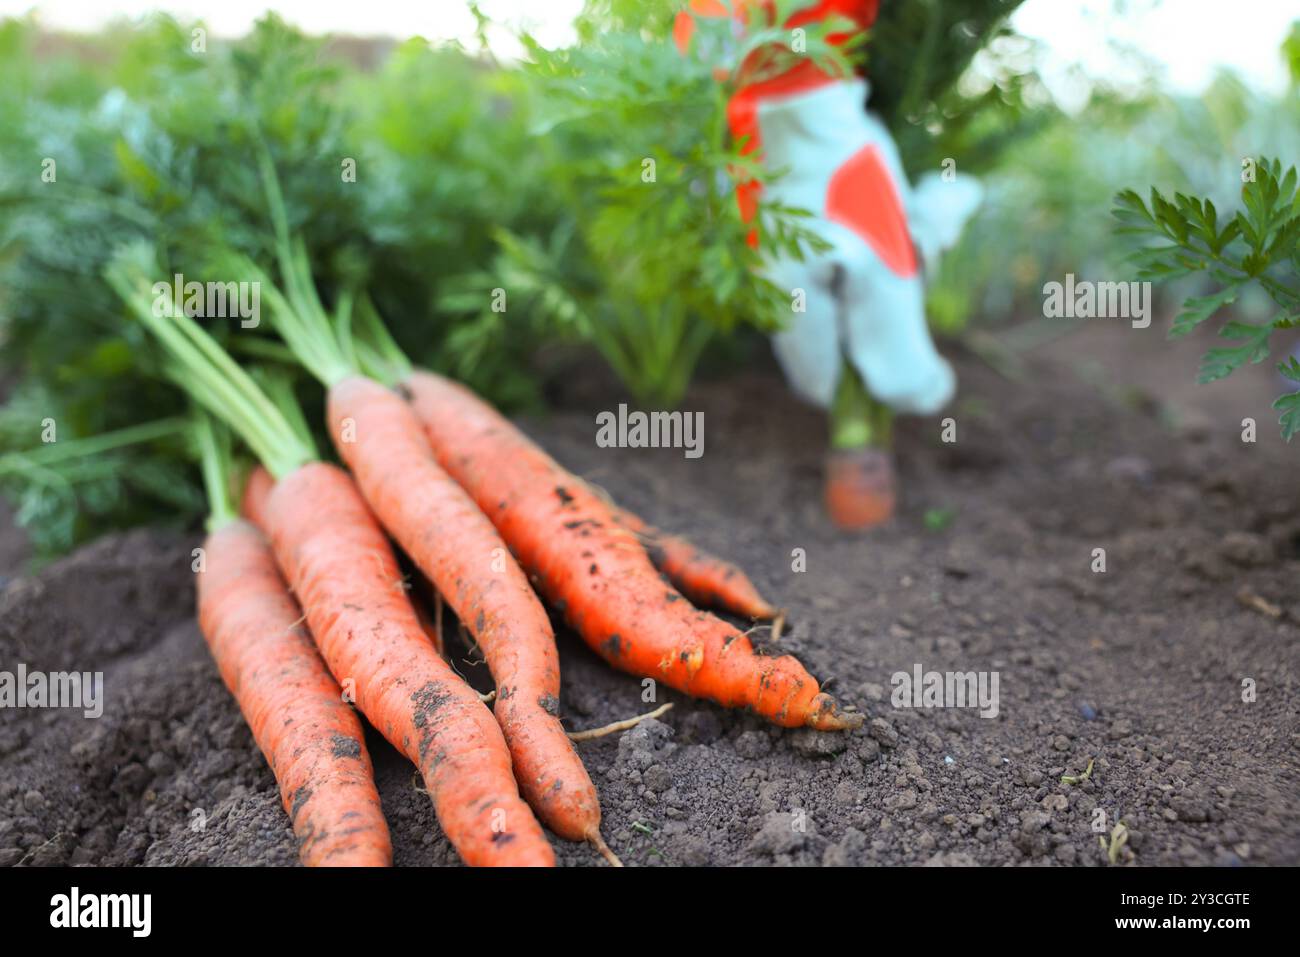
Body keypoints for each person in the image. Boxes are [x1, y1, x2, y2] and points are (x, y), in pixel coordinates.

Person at [675, 0, 981, 528]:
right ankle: (927, 227)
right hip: (758, 152)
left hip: (836, 135)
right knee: (799, 300)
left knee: (882, 276)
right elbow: (694, 59)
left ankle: (925, 231)